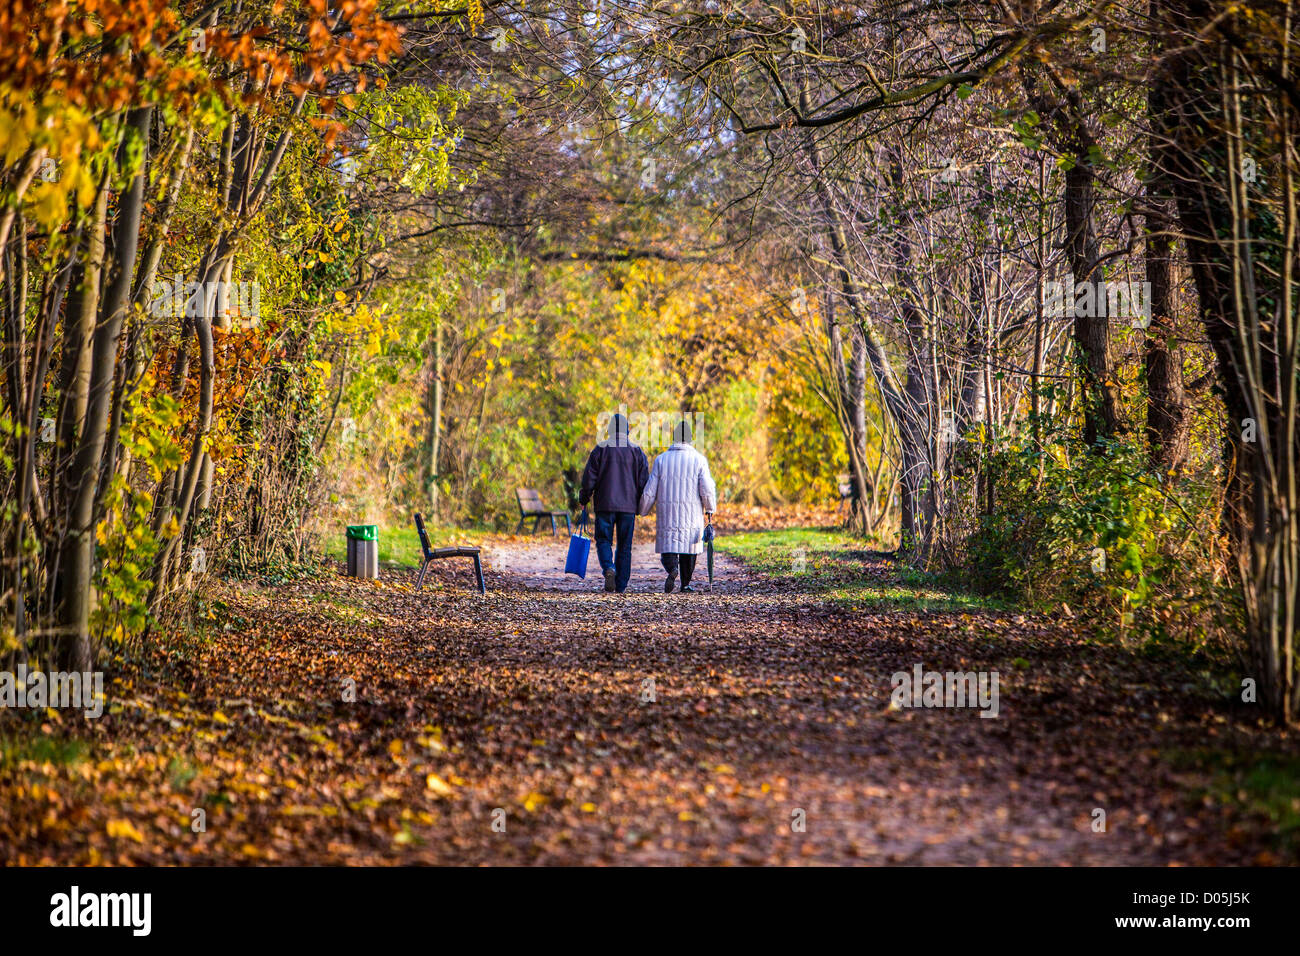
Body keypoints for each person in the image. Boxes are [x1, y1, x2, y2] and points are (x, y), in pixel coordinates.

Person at [639, 419, 717, 593]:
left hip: (668, 513)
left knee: (669, 545)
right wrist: (710, 508)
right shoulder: (699, 460)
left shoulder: (661, 460)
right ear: (690, 439)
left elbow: (651, 489)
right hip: (692, 514)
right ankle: (685, 583)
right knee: (689, 550)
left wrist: (642, 509)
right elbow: (707, 488)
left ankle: (672, 568)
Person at [578, 412, 650, 593]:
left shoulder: (600, 449)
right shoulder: (636, 451)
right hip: (628, 506)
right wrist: (641, 504)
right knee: (624, 545)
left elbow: (589, 479)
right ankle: (621, 584)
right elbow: (644, 482)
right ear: (627, 430)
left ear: (609, 429)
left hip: (605, 505)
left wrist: (584, 498)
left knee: (603, 540)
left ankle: (609, 567)